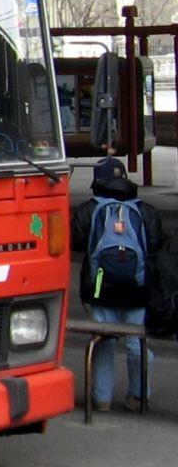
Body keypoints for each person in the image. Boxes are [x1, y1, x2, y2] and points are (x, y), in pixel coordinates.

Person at [72, 157, 166, 412]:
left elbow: (77, 243)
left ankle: (101, 398)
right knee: (138, 343)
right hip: (138, 290)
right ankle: (139, 396)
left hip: (101, 290)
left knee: (103, 342)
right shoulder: (144, 210)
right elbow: (157, 243)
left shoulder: (89, 209)